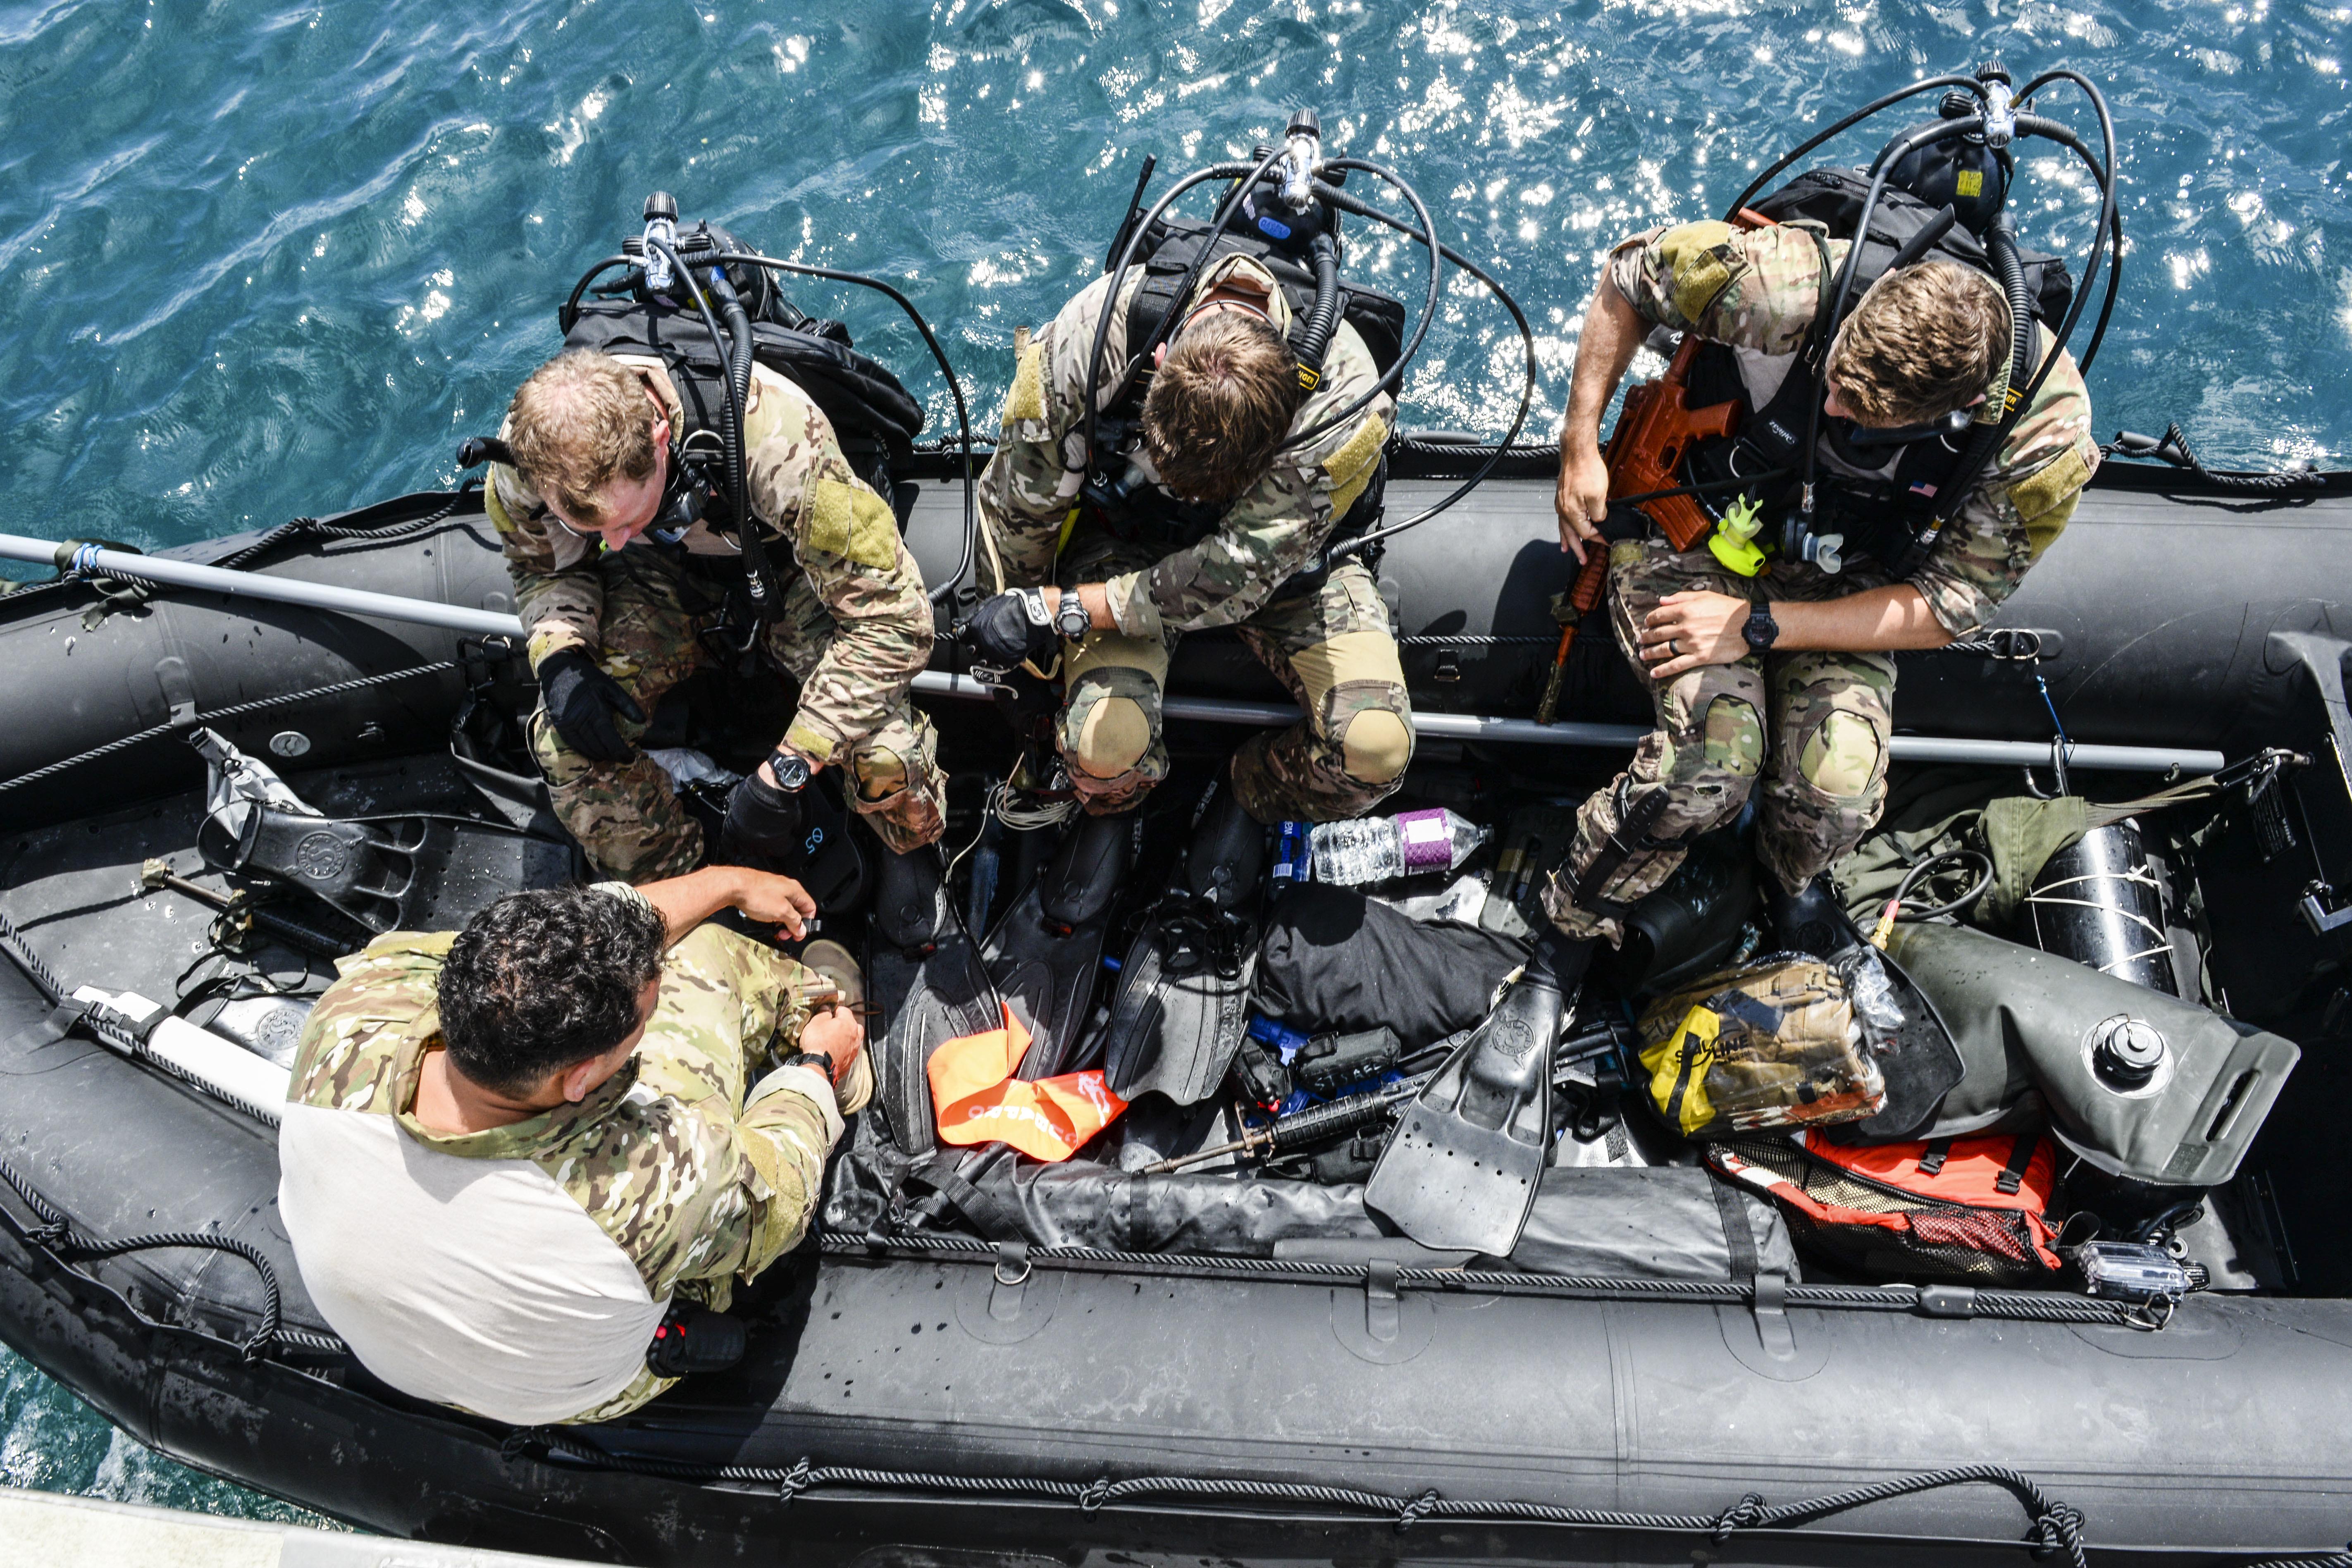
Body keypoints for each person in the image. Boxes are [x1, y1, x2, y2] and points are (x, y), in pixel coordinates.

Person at [1541, 215, 2098, 971]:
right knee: (1709, 765)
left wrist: (1760, 626)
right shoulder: (1781, 286)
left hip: (1846, 573)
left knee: (1838, 787)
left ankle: (1786, 882)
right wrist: (1580, 441)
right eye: (1833, 380)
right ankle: (1570, 927)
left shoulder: (2040, 433)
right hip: (1694, 517)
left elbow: (1945, 603)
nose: (1830, 408)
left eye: (1860, 414)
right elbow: (1626, 279)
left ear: (1948, 414)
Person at [277, 867, 865, 1427]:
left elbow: (560, 946)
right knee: (705, 956)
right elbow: (780, 1199)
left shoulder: (354, 1010)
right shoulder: (657, 1180)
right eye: (644, 1019)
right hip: (585, 1391)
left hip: (406, 1354)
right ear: (581, 1079)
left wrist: (726, 883)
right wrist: (816, 1066)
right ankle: (832, 1026)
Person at [966, 247, 1408, 825]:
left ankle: (1238, 800)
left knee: (1376, 746)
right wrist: (1019, 648)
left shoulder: (1340, 400)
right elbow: (1017, 512)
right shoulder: (1090, 343)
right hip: (1127, 542)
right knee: (1104, 744)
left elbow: (1237, 573)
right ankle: (1123, 809)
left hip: (1284, 569)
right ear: (1159, 357)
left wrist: (1063, 609)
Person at [485, 344, 943, 882]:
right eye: (592, 530)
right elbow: (542, 569)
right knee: (565, 743)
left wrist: (788, 769)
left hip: (794, 575)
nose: (610, 540)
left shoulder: (776, 443)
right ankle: (680, 895)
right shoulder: (529, 459)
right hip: (656, 575)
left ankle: (910, 861)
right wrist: (560, 653)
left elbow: (894, 621)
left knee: (884, 761)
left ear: (660, 442)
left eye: (628, 516)